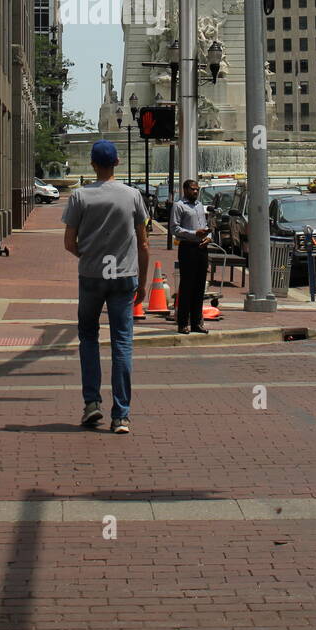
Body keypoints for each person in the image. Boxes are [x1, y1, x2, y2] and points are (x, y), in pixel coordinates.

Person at [63, 140, 149, 435]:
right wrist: (144, 282)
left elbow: (68, 243)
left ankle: (92, 403)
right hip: (125, 277)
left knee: (88, 337)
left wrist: (88, 257)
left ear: (92, 164)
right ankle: (121, 416)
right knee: (122, 342)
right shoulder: (133, 195)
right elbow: (144, 243)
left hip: (91, 277)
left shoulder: (79, 196)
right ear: (117, 162)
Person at [170, 179, 211, 335]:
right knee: (187, 286)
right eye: (193, 189)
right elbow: (174, 228)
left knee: (200, 286)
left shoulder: (200, 205)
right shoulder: (179, 206)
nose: (195, 192)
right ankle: (183, 323)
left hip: (202, 247)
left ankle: (196, 322)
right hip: (187, 248)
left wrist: (209, 236)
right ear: (185, 190)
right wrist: (194, 233)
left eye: (197, 189)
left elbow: (205, 225)